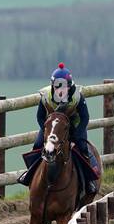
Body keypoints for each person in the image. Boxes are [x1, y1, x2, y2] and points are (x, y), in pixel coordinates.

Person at [17, 63, 99, 196]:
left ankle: (89, 180)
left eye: (64, 86)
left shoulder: (78, 97)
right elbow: (39, 117)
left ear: (70, 86)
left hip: (74, 127)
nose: (60, 90)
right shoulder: (45, 96)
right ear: (52, 86)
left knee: (82, 147)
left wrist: (76, 137)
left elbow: (85, 118)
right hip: (52, 128)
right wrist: (46, 131)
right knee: (37, 145)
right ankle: (30, 175)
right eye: (56, 86)